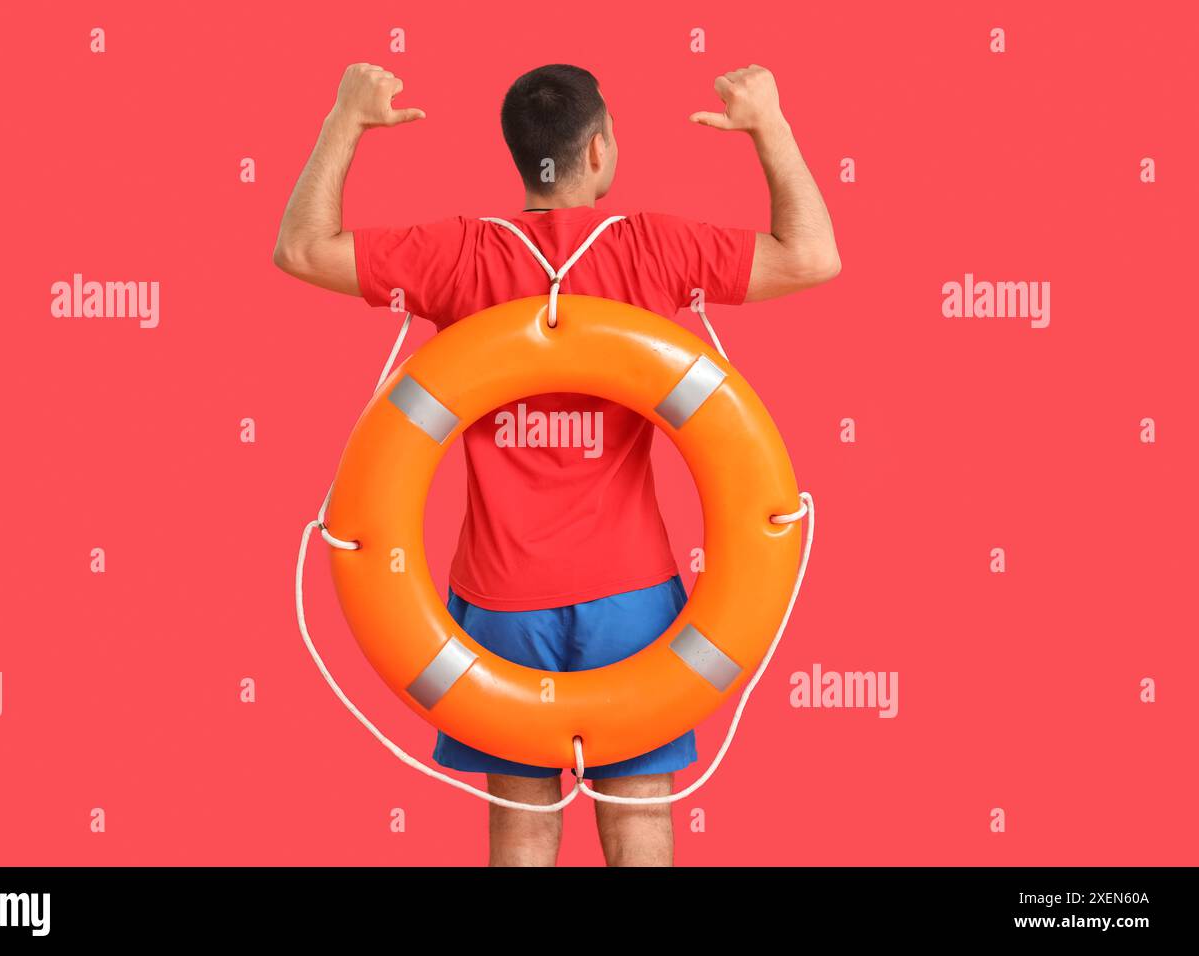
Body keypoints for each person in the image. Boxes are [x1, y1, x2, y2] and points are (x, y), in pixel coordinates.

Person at [275, 61, 839, 866]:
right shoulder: (653, 248)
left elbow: (301, 248)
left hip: (500, 603)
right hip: (635, 602)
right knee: (639, 814)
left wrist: (345, 118)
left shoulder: (460, 254)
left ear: (520, 155)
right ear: (599, 150)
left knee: (524, 822)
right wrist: (769, 124)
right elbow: (812, 257)